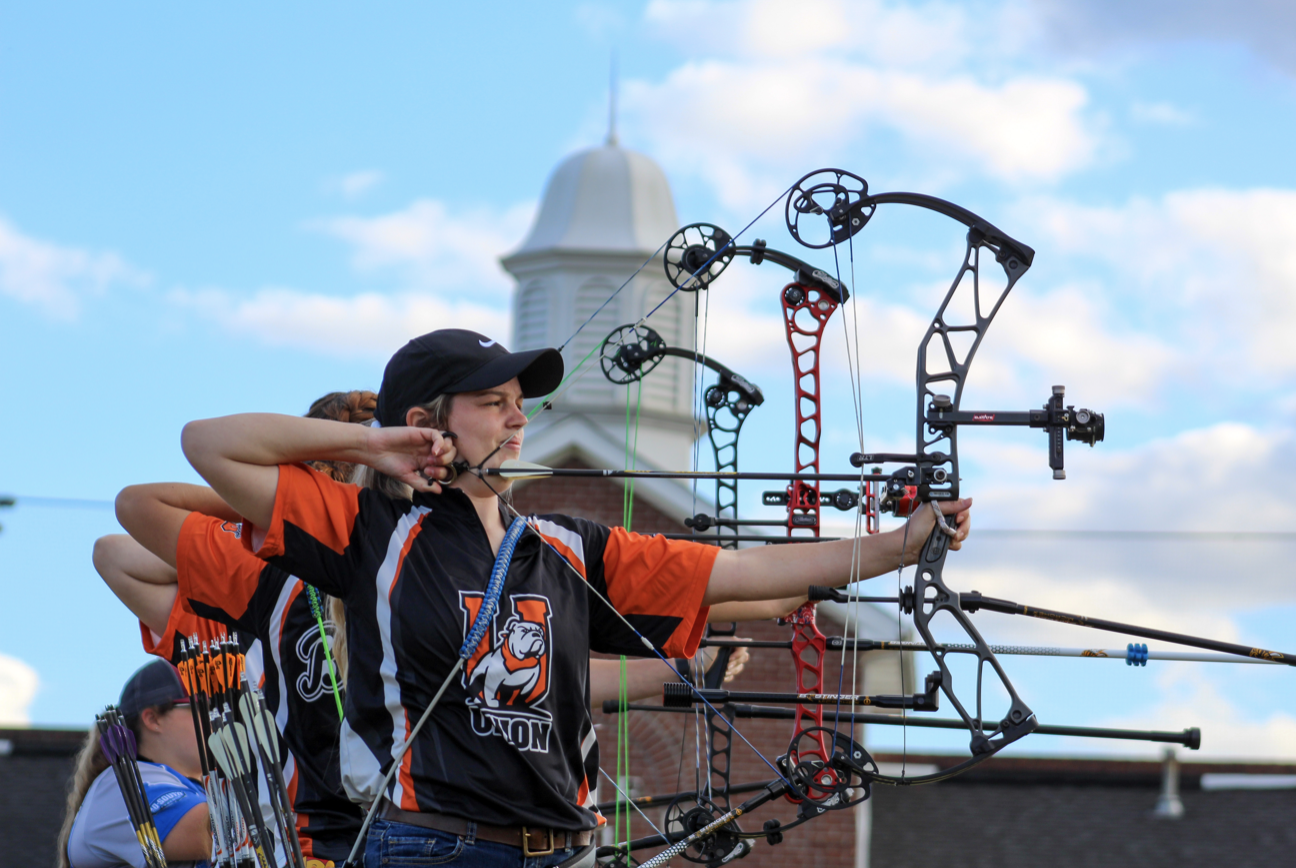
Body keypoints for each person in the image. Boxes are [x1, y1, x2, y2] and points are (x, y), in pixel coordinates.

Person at [179, 329, 971, 867]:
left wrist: (902, 545)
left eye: (519, 401)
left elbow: (740, 578)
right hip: (432, 845)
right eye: (492, 403)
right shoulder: (367, 528)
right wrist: (372, 441)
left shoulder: (563, 546)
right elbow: (207, 444)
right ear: (428, 424)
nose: (518, 417)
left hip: (562, 847)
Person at [58, 659, 212, 868]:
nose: (218, 717)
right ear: (153, 719)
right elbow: (217, 831)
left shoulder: (194, 790)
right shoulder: (121, 783)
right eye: (205, 706)